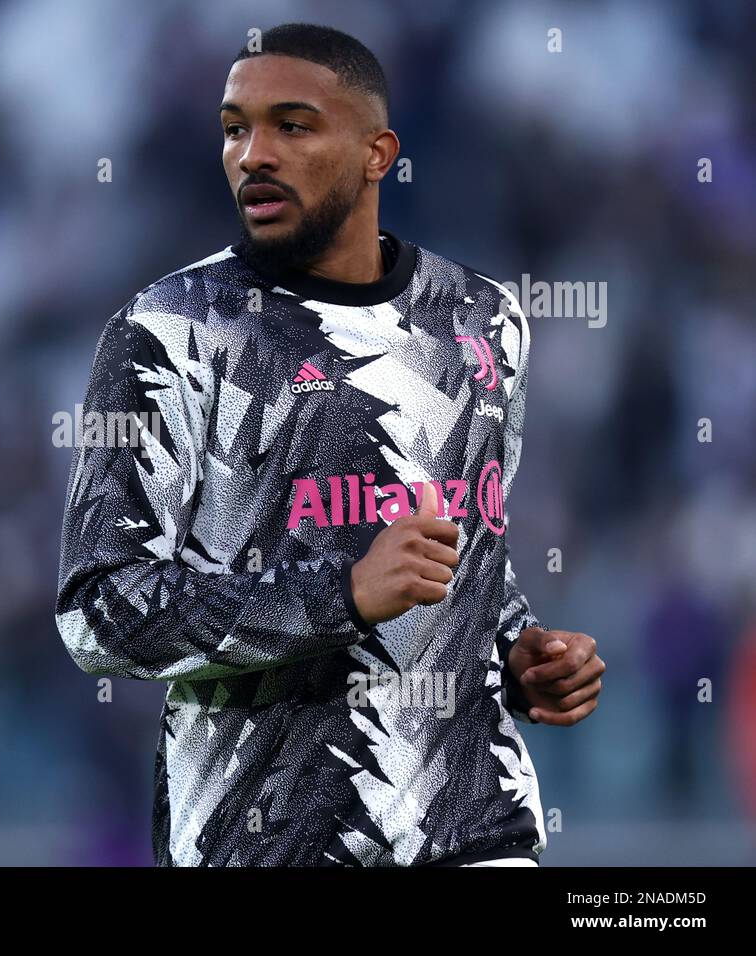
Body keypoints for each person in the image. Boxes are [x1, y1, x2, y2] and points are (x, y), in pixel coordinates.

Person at [54, 22, 604, 866]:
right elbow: (97, 612)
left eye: (293, 125)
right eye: (236, 128)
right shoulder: (170, 331)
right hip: (264, 835)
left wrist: (517, 648)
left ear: (377, 152)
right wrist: (339, 594)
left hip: (472, 825)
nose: (254, 154)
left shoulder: (484, 319)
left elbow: (466, 549)